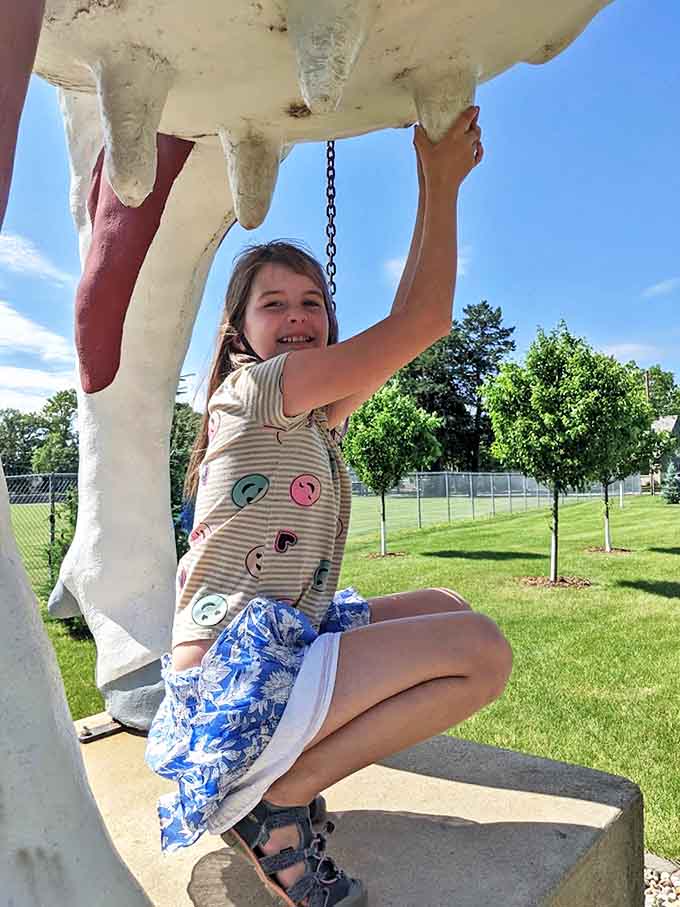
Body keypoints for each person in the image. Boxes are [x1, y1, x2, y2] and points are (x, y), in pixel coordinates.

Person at [146, 106, 512, 907]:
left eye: (312, 301)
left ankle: (282, 780)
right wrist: (443, 181)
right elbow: (427, 320)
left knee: (445, 605)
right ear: (240, 332)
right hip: (236, 679)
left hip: (273, 650)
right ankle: (278, 800)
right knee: (482, 650)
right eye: (274, 304)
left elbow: (415, 324)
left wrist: (428, 173)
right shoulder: (260, 388)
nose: (300, 316)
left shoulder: (312, 413)